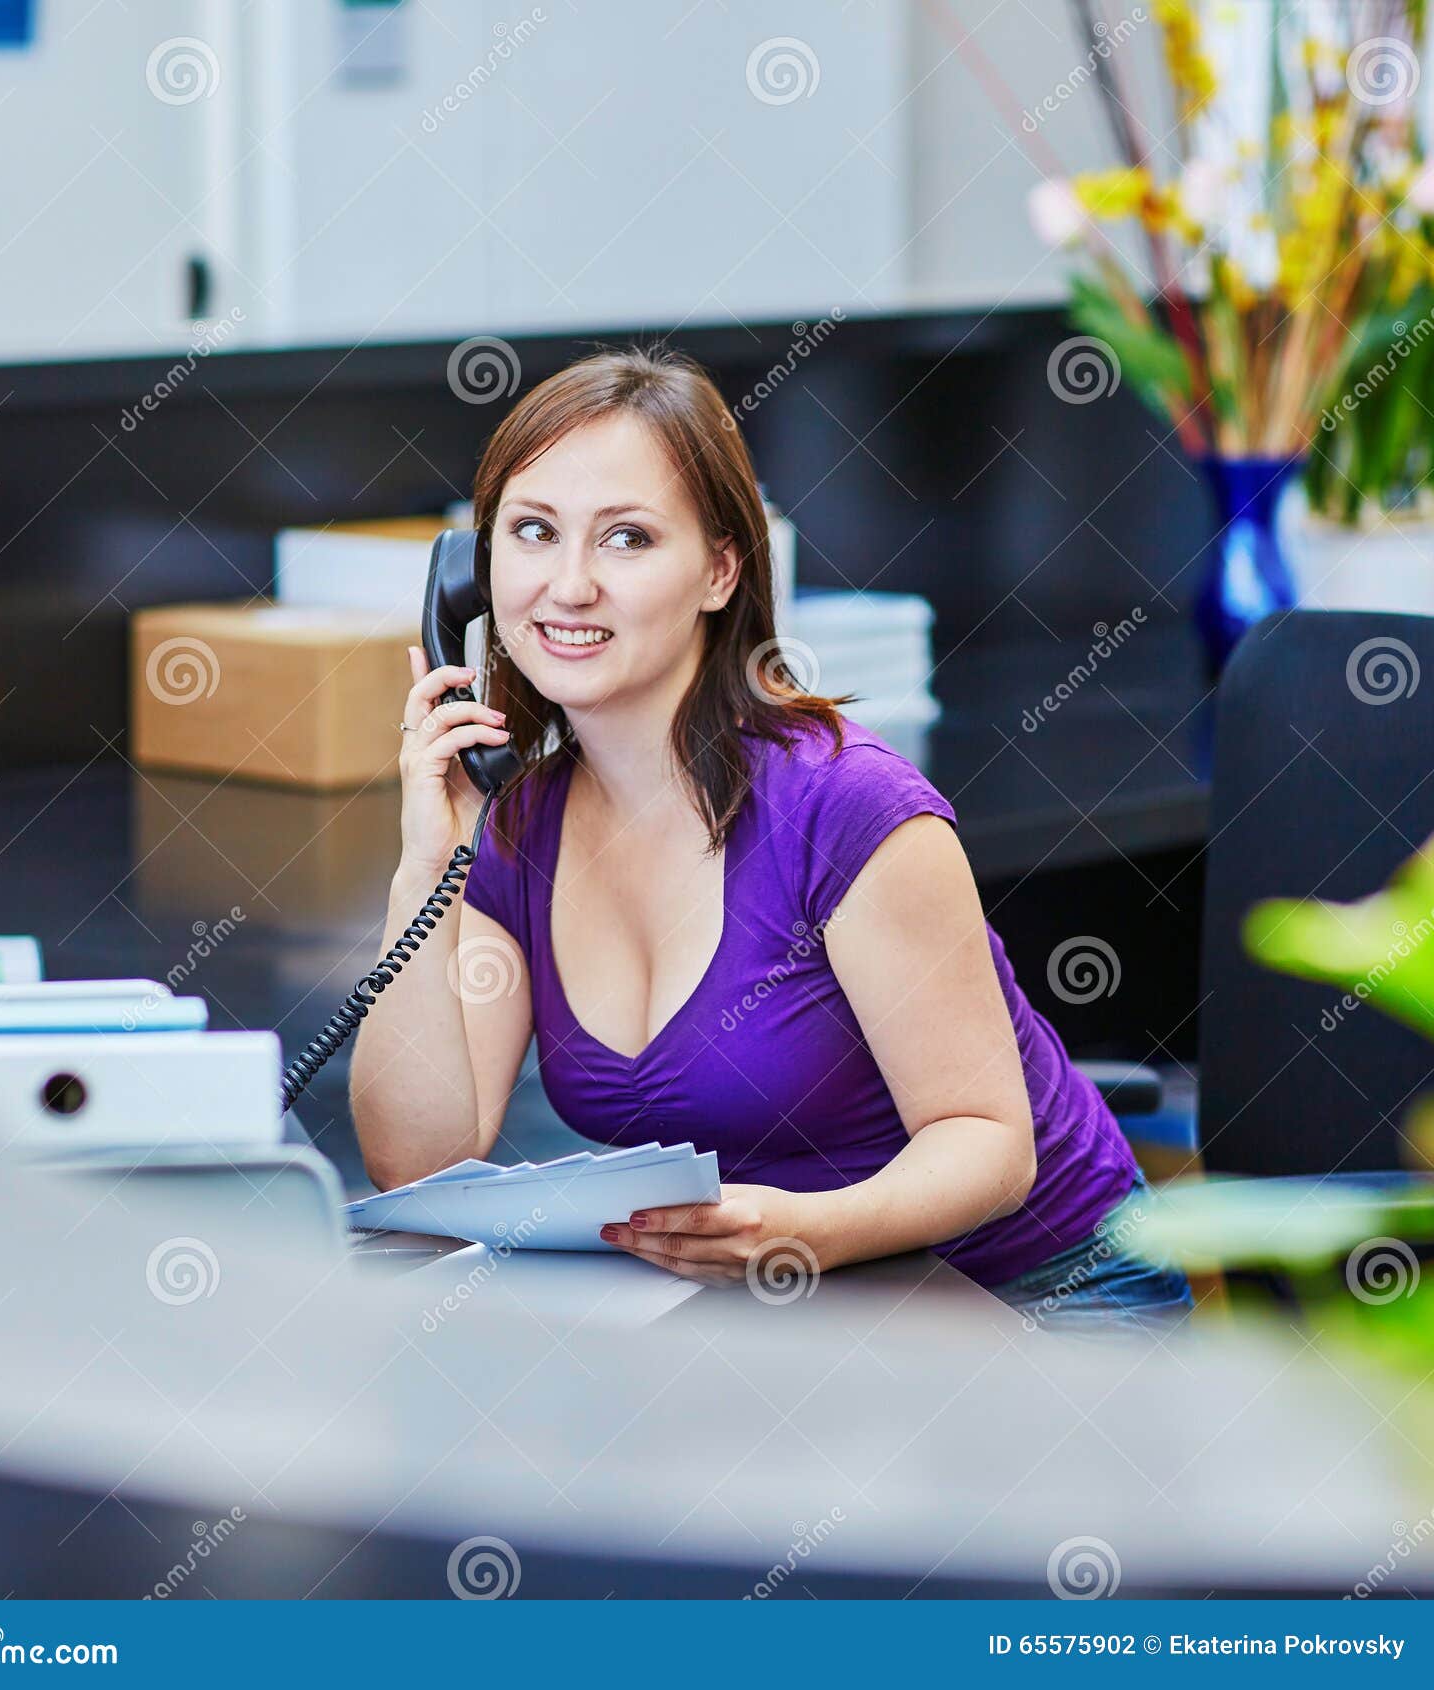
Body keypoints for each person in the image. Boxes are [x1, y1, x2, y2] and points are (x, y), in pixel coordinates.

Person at [350, 345, 1193, 1333]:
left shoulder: (847, 806)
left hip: (1050, 1302)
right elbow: (420, 1161)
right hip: (819, 1317)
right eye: (533, 532)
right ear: (474, 571)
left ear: (719, 571)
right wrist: (427, 867)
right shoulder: (521, 826)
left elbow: (990, 1146)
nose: (568, 585)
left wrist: (809, 1233)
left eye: (626, 539)